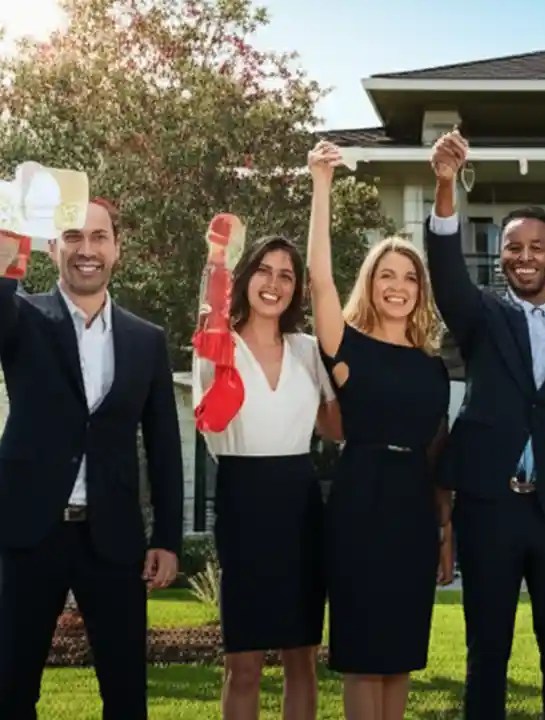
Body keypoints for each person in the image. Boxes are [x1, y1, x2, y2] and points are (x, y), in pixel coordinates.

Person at [424, 129, 545, 720]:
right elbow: (446, 271)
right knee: (489, 654)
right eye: (513, 247)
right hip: (489, 511)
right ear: (501, 255)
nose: (525, 256)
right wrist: (445, 185)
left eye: (537, 246)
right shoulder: (481, 318)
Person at [0, 198, 183, 720]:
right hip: (29, 533)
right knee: (11, 692)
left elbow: (165, 445)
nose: (87, 249)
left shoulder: (145, 340)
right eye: (73, 237)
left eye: (99, 237)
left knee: (126, 697)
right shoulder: (20, 318)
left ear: (117, 249)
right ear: (52, 247)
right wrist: (12, 230)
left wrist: (167, 539)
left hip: (114, 539)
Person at [305, 140, 455, 720]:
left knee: (400, 657)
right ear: (370, 284)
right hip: (360, 502)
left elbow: (438, 450)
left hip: (415, 511)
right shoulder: (347, 345)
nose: (398, 285)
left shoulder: (434, 366)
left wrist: (444, 527)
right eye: (385, 275)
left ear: (420, 290)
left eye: (409, 278)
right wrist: (321, 185)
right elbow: (319, 278)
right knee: (364, 654)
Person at [192, 234, 342, 720]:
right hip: (243, 500)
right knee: (245, 663)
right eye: (264, 270)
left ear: (296, 288)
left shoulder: (308, 350)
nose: (274, 283)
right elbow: (211, 421)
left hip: (299, 502)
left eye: (286, 275)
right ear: (245, 276)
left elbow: (336, 430)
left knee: (302, 657)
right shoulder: (216, 343)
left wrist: (347, 375)